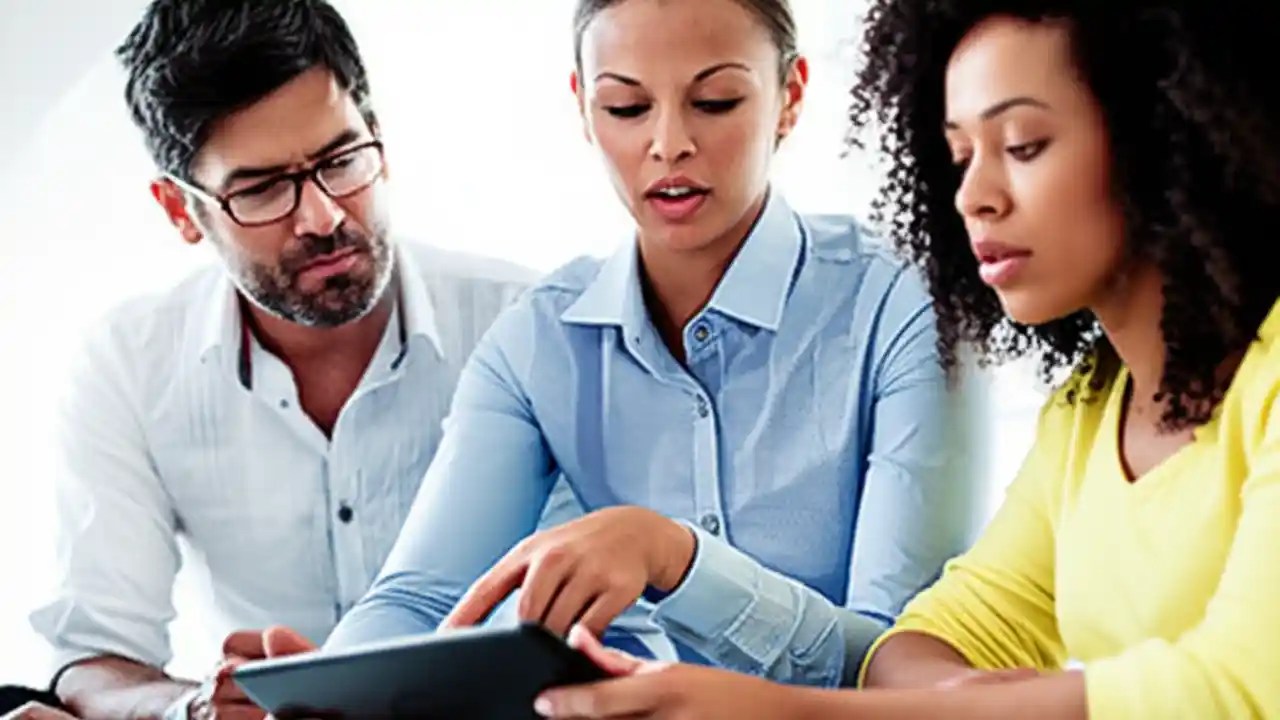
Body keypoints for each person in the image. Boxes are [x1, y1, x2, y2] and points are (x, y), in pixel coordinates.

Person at [525, 1, 1280, 718]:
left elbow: (1236, 692)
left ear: (1165, 132)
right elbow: (913, 646)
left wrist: (797, 712)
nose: (973, 196)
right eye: (958, 156)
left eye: (1022, 146)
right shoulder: (1087, 414)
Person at [264, 0, 973, 691]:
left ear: (790, 97)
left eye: (716, 101)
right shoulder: (537, 341)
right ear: (582, 106)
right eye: (627, 109)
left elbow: (897, 668)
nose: (668, 145)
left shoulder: (901, 304)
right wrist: (328, 691)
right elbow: (419, 600)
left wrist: (674, 558)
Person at [25, 1, 568, 718]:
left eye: (342, 161)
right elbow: (90, 657)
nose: (324, 218)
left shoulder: (524, 324)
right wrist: (194, 710)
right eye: (262, 189)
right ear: (180, 211)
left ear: (381, 141)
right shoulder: (131, 365)